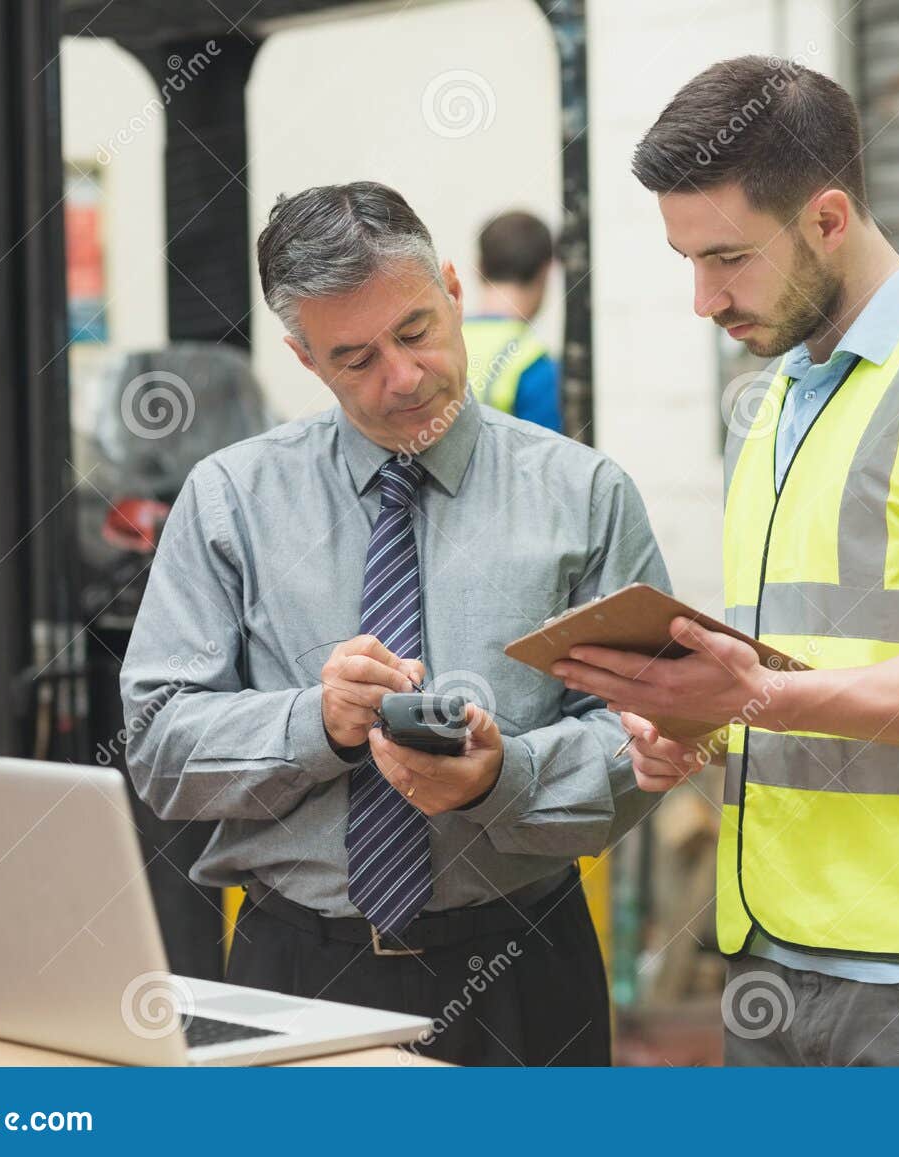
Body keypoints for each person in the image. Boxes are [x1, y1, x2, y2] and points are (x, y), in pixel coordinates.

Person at [553, 57, 899, 1067]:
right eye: (686, 261)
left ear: (829, 219)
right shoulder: (771, 402)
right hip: (772, 961)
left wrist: (754, 698)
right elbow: (810, 660)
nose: (701, 300)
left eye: (727, 258)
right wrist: (694, 721)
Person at [120, 182, 668, 1066]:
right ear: (305, 359)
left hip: (525, 969)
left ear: (452, 289)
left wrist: (508, 775)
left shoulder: (585, 497)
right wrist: (315, 723)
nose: (403, 377)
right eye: (357, 357)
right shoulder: (231, 502)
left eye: (416, 331)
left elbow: (649, 731)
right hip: (294, 977)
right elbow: (154, 745)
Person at [462, 210, 562, 431]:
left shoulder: (438, 340)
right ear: (546, 271)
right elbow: (547, 460)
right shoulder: (536, 364)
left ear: (479, 266)